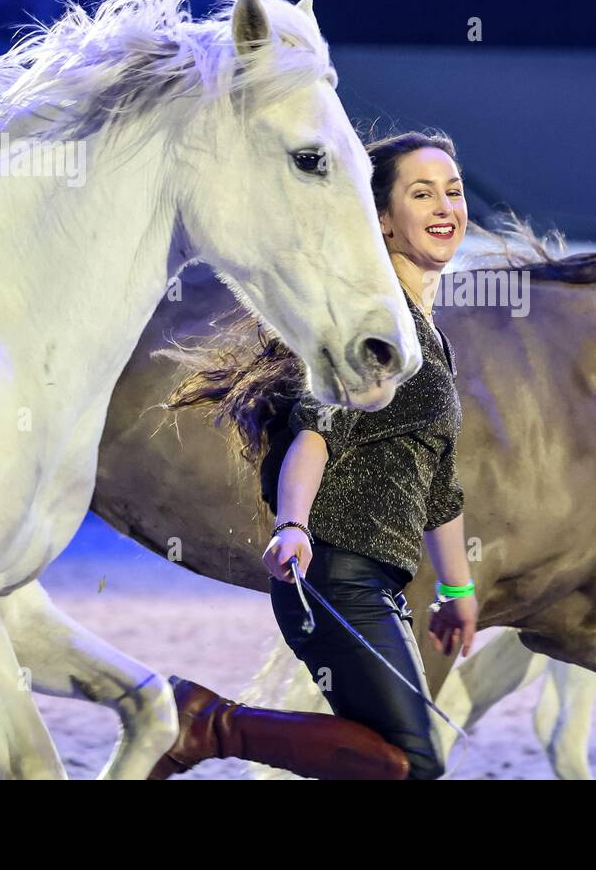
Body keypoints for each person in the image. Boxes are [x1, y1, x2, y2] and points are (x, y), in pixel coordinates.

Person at [148, 131, 477, 781]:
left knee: (392, 764)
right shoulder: (374, 327)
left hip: (376, 579)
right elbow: (316, 432)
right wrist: (293, 526)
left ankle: (203, 723)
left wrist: (457, 588)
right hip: (332, 573)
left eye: (454, 191)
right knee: (411, 763)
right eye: (422, 193)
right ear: (381, 222)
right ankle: (205, 723)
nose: (445, 206)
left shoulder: (428, 337)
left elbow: (439, 486)